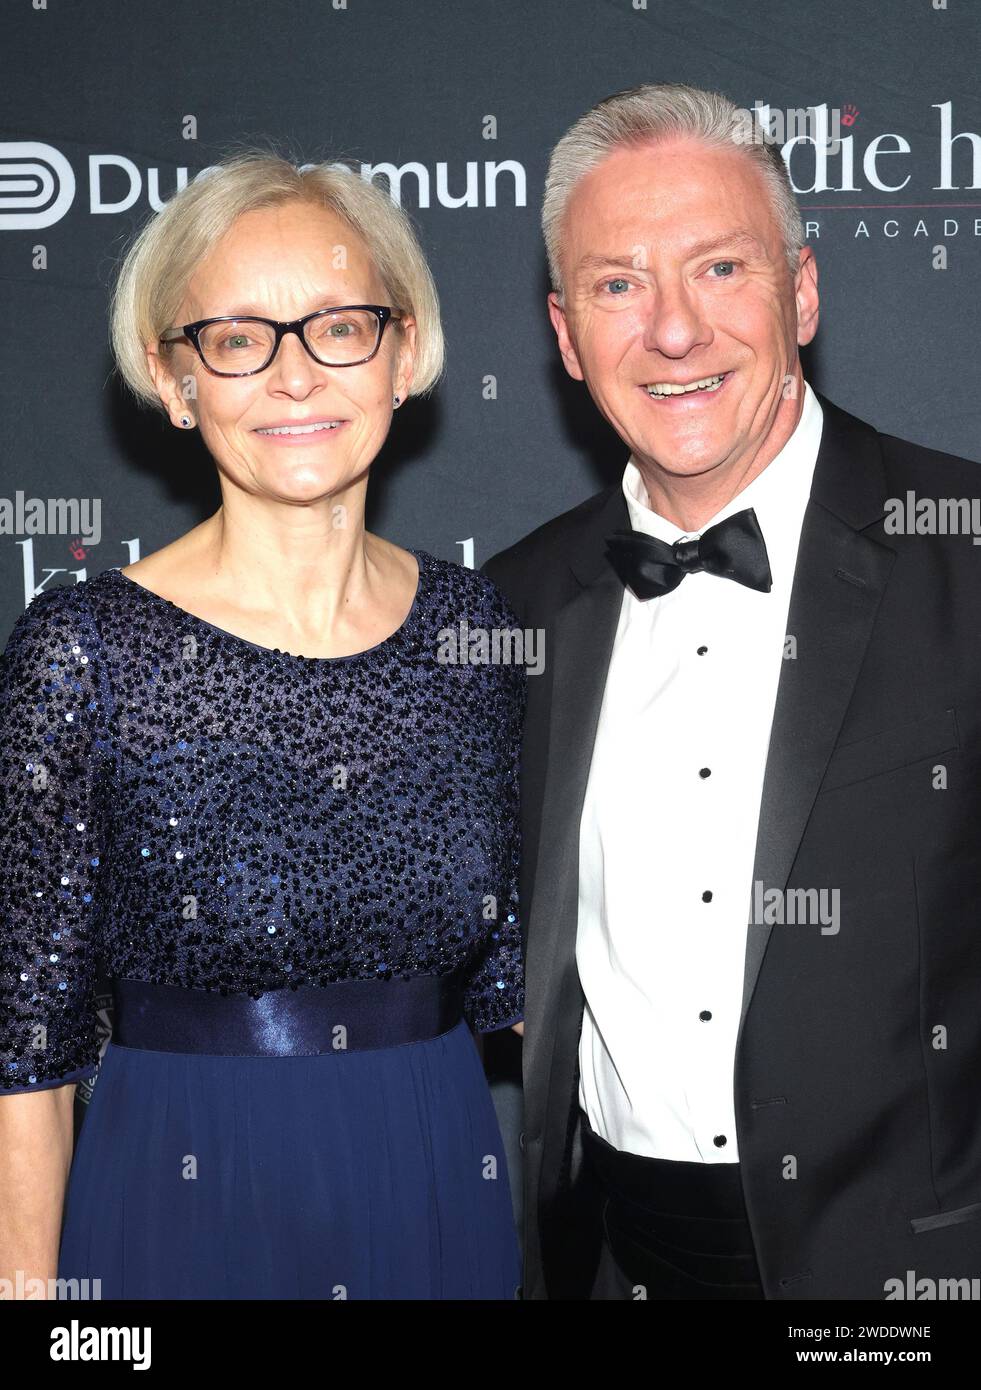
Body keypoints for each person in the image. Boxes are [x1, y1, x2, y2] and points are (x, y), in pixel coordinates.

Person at [483, 82, 981, 1300]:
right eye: (617, 285)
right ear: (563, 335)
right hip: (613, 1261)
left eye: (717, 268)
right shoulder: (511, 606)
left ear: (801, 291)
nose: (670, 330)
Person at [0, 150, 525, 1300]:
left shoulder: (477, 634)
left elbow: (538, 985)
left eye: (339, 325)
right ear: (173, 375)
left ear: (404, 353)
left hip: (440, 1190)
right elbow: (26, 1052)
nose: (295, 377)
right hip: (180, 1212)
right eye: (239, 338)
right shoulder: (83, 653)